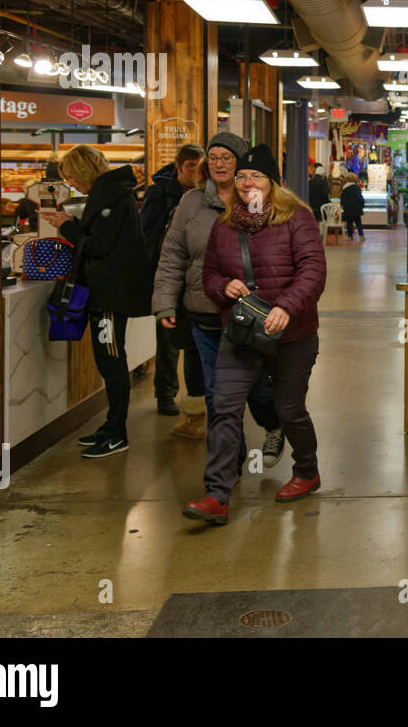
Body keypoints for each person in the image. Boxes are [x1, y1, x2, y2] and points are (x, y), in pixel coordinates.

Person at [184, 144, 327, 524]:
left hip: (292, 333)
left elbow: (313, 270)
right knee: (225, 407)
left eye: (257, 176)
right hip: (243, 332)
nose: (248, 183)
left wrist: (286, 307)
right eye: (243, 176)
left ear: (272, 183)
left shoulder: (297, 219)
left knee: (288, 409)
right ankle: (216, 495)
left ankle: (306, 471)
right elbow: (210, 273)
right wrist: (222, 288)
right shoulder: (225, 225)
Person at [152, 133, 283, 460]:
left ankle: (274, 425)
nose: (219, 163)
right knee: (217, 394)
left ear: (241, 162)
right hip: (204, 312)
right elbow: (172, 255)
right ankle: (234, 463)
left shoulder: (258, 198)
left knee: (256, 389)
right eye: (214, 157)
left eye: (227, 156)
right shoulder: (191, 202)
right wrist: (164, 301)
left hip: (250, 312)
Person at [40, 145, 153, 459]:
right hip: (110, 293)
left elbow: (98, 246)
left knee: (112, 363)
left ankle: (117, 433)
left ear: (84, 171)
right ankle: (111, 428)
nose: (72, 184)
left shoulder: (110, 197)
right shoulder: (114, 192)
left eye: (73, 177)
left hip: (109, 296)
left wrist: (65, 225)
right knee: (110, 362)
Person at [140, 143, 205, 417]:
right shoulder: (160, 193)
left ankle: (197, 398)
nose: (195, 171)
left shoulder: (205, 195)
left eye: (199, 166)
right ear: (178, 168)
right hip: (171, 277)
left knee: (196, 342)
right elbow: (148, 235)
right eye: (190, 166)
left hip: (199, 279)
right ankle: (165, 393)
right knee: (168, 341)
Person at [340, 171, 365, 241]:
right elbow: (360, 198)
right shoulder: (357, 188)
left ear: (346, 180)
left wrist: (343, 206)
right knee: (358, 222)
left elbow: (342, 199)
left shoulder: (344, 189)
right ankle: (361, 235)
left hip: (348, 209)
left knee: (349, 223)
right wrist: (362, 205)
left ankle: (350, 236)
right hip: (356, 208)